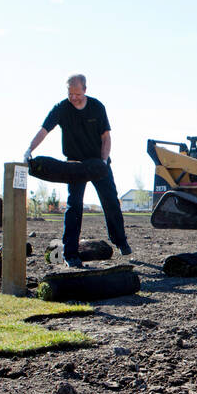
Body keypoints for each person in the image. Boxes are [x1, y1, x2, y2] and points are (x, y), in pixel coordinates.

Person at [24, 74, 131, 267]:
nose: (73, 97)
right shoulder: (61, 108)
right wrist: (30, 149)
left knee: (111, 201)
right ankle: (70, 253)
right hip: (74, 165)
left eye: (77, 93)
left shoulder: (97, 107)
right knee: (74, 206)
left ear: (85, 90)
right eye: (70, 93)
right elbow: (44, 130)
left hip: (97, 163)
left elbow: (106, 137)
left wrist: (104, 161)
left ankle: (120, 240)